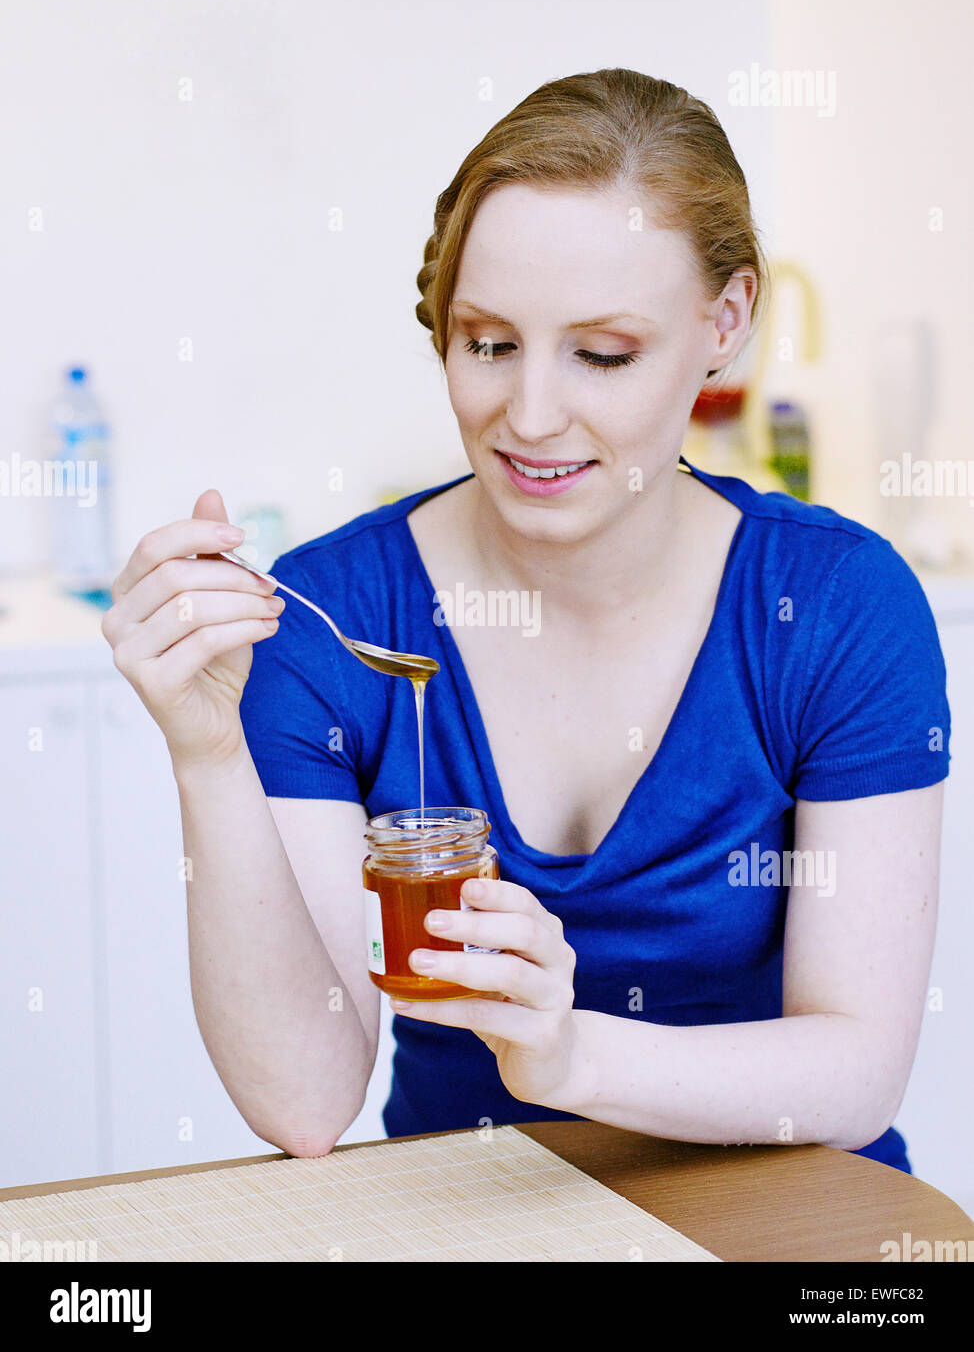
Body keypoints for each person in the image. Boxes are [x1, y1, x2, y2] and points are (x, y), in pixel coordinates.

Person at [101, 68, 949, 1174]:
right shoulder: (332, 617)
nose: (530, 416)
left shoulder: (836, 608)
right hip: (473, 1226)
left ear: (723, 321)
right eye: (488, 344)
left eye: (601, 353)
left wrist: (568, 1060)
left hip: (788, 1232)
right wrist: (208, 755)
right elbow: (305, 1107)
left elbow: (854, 1073)